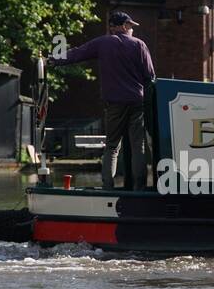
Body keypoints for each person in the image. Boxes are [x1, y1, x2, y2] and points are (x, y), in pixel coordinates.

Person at [54, 11, 155, 190]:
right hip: (137, 103)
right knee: (138, 145)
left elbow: (78, 53)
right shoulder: (140, 45)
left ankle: (108, 187)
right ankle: (140, 188)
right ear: (123, 26)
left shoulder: (102, 43)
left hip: (115, 103)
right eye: (131, 26)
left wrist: (53, 60)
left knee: (112, 146)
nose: (132, 30)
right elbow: (150, 77)